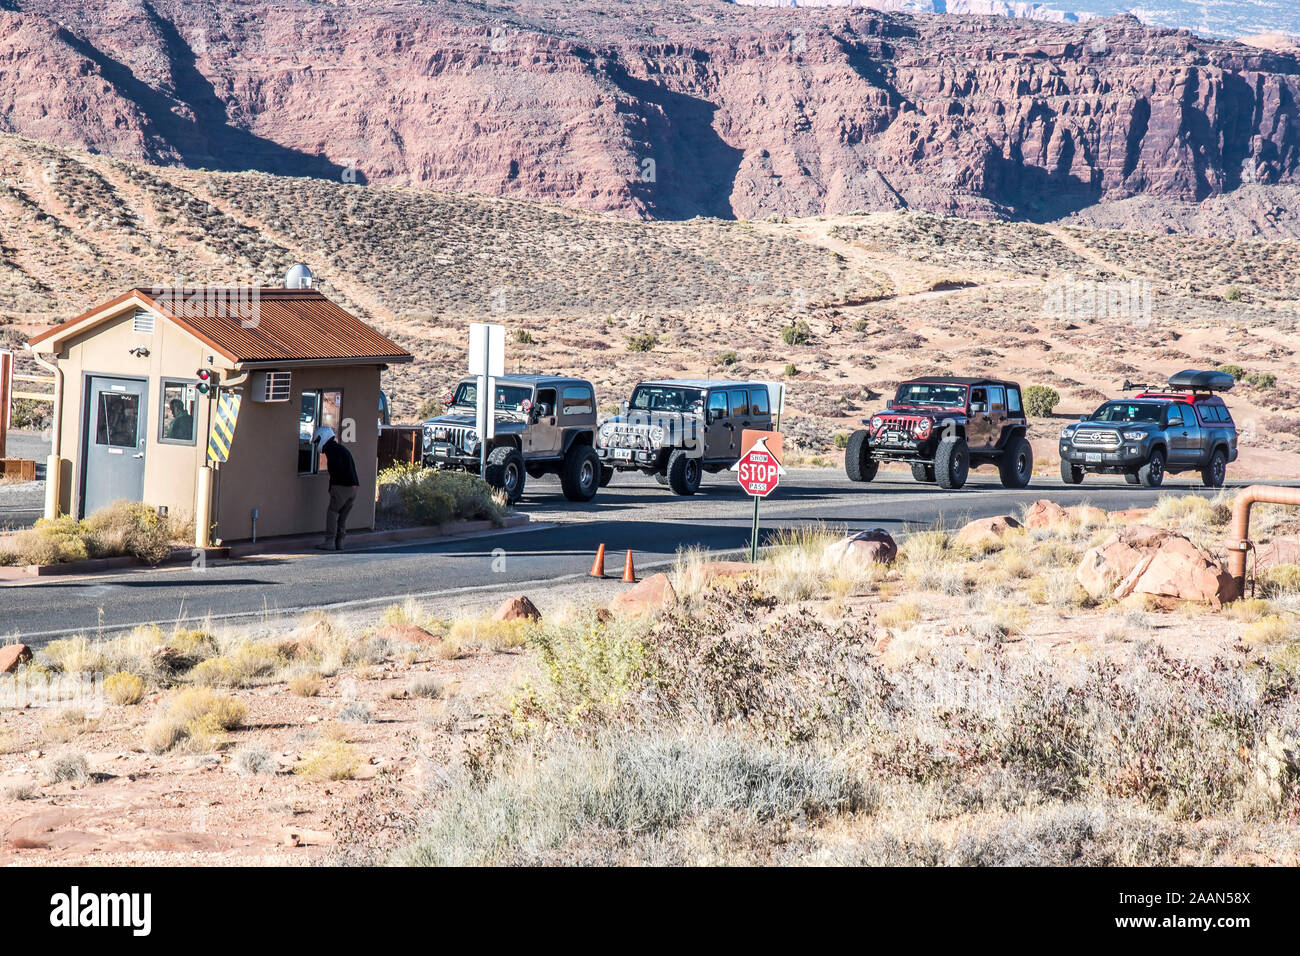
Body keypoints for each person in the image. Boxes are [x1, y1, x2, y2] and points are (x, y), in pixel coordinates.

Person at [312, 426, 359, 551]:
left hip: (341, 486)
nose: (317, 443)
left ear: (323, 437)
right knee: (342, 516)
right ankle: (340, 542)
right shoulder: (340, 449)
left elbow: (336, 471)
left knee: (332, 512)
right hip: (353, 488)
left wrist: (333, 486)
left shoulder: (332, 451)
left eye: (317, 440)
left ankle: (330, 541)